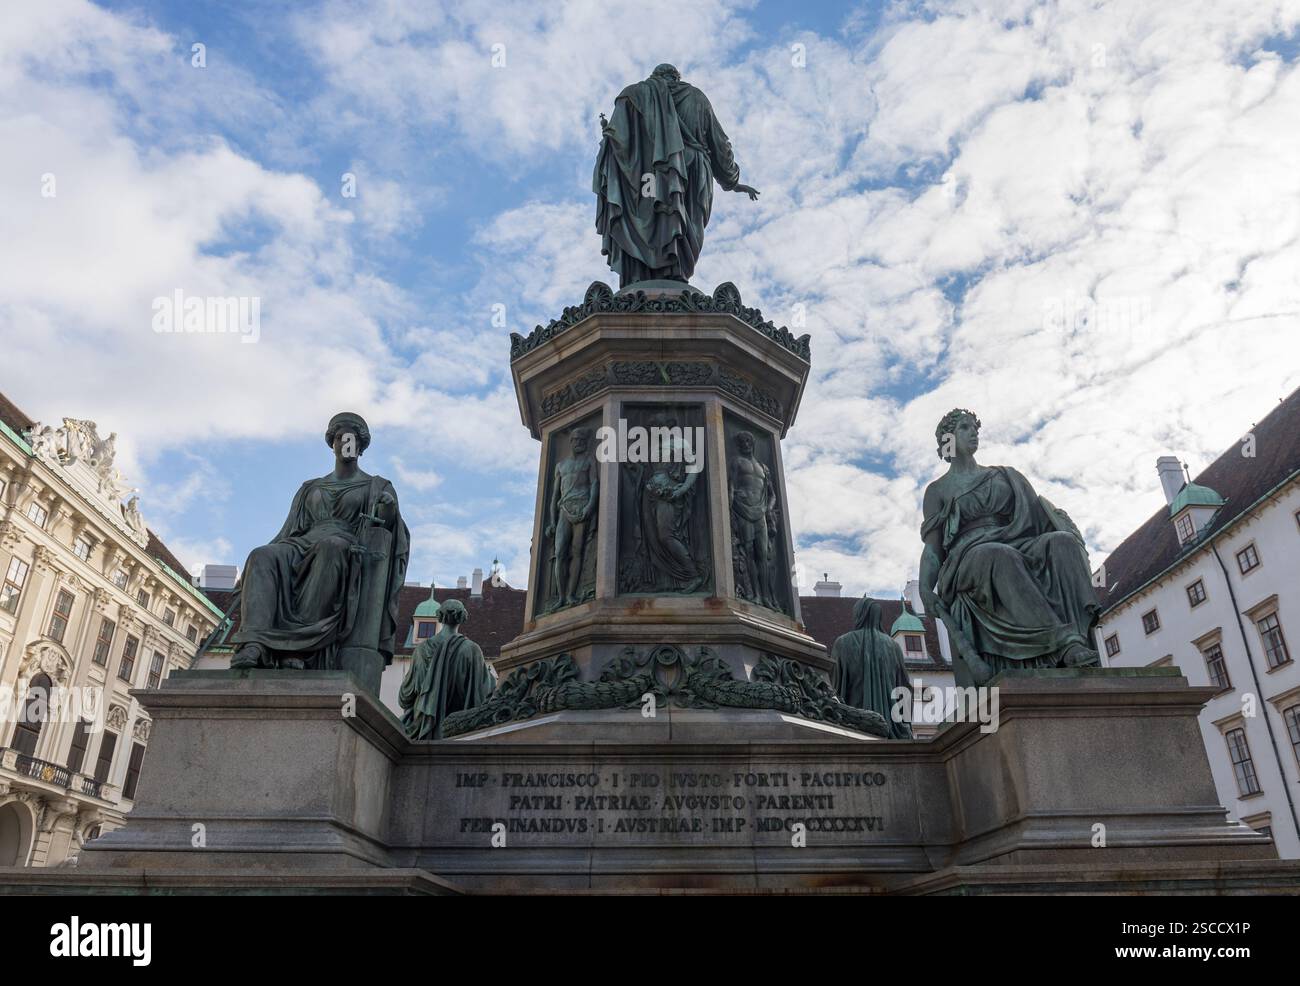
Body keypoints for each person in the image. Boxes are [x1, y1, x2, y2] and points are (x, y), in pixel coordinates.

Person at [918, 408, 1100, 687]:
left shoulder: (1004, 476)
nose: (974, 432)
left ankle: (1077, 641)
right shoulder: (938, 490)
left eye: (975, 428)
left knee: (1061, 543)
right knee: (998, 556)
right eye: (965, 427)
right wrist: (923, 588)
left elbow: (1039, 520)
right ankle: (1065, 644)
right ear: (948, 440)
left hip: (1015, 539)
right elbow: (933, 549)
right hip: (968, 557)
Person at [230, 411, 409, 673]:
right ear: (332, 443)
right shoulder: (310, 487)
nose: (345, 443)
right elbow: (289, 530)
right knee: (262, 555)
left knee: (331, 548)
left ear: (360, 447)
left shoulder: (376, 485)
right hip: (302, 542)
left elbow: (390, 529)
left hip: (346, 544)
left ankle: (302, 648)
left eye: (352, 438)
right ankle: (255, 643)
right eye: (339, 437)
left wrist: (388, 510)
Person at [594, 63, 759, 287]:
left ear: (654, 77)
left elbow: (617, 140)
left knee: (649, 213)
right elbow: (720, 145)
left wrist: (609, 140)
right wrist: (732, 181)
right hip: (693, 169)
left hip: (647, 175)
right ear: (676, 78)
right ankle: (676, 272)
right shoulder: (697, 98)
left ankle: (640, 275)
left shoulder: (633, 94)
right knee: (687, 222)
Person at [398, 599, 494, 740]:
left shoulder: (421, 650)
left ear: (440, 617)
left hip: (423, 725)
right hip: (456, 728)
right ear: (462, 617)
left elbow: (406, 697)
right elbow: (485, 691)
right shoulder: (472, 650)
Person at [831, 597, 913, 739]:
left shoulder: (842, 643)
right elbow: (904, 689)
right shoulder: (894, 647)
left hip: (853, 727)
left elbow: (834, 688)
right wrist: (906, 725)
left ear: (858, 615)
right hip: (891, 729)